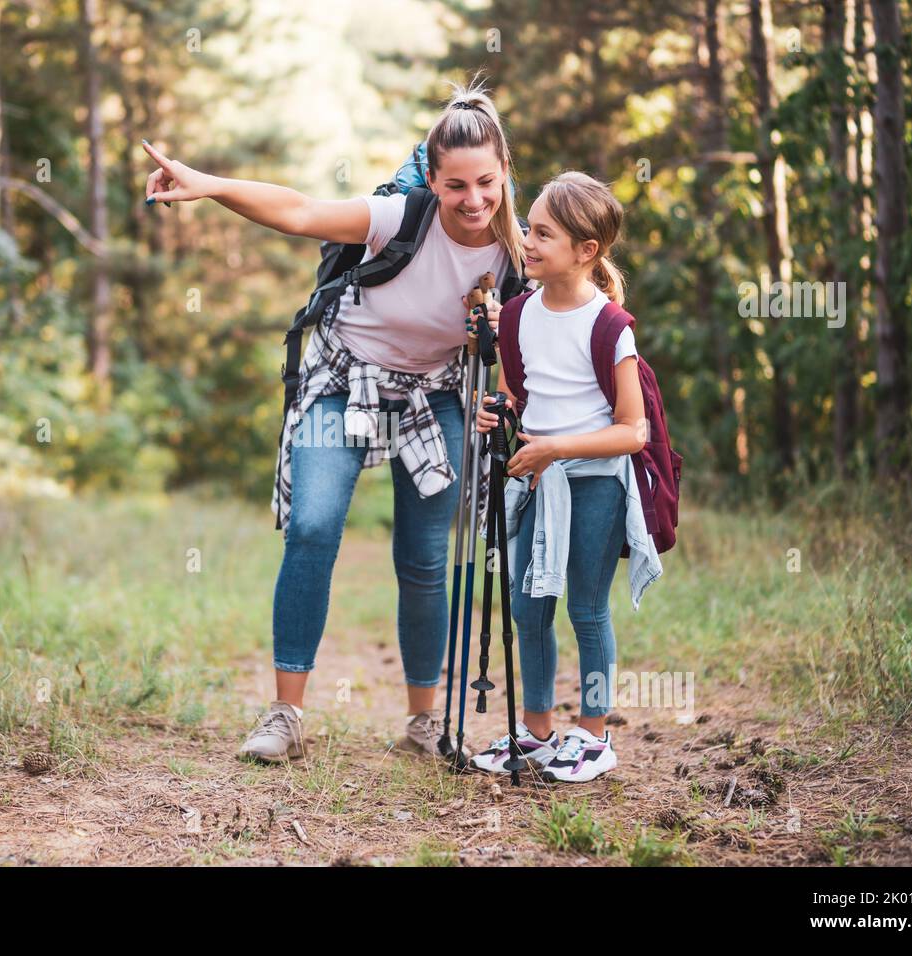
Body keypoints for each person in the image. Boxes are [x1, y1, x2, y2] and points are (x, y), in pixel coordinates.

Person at [141, 78, 528, 763]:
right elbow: (297, 211)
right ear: (431, 181)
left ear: (504, 177)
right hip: (343, 377)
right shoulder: (395, 216)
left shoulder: (516, 253)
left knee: (424, 557)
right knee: (314, 526)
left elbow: (576, 307)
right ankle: (285, 716)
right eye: (456, 186)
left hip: (435, 392)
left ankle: (421, 724)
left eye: (486, 184)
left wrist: (503, 336)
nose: (473, 201)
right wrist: (206, 183)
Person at [469, 171, 663, 783]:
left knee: (585, 608)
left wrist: (555, 448)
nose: (527, 239)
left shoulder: (610, 327)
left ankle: (595, 736)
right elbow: (515, 396)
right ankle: (537, 731)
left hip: (596, 483)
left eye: (543, 233)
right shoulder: (518, 316)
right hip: (537, 483)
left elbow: (634, 432)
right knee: (528, 609)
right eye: (529, 228)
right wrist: (494, 413)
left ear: (586, 252)